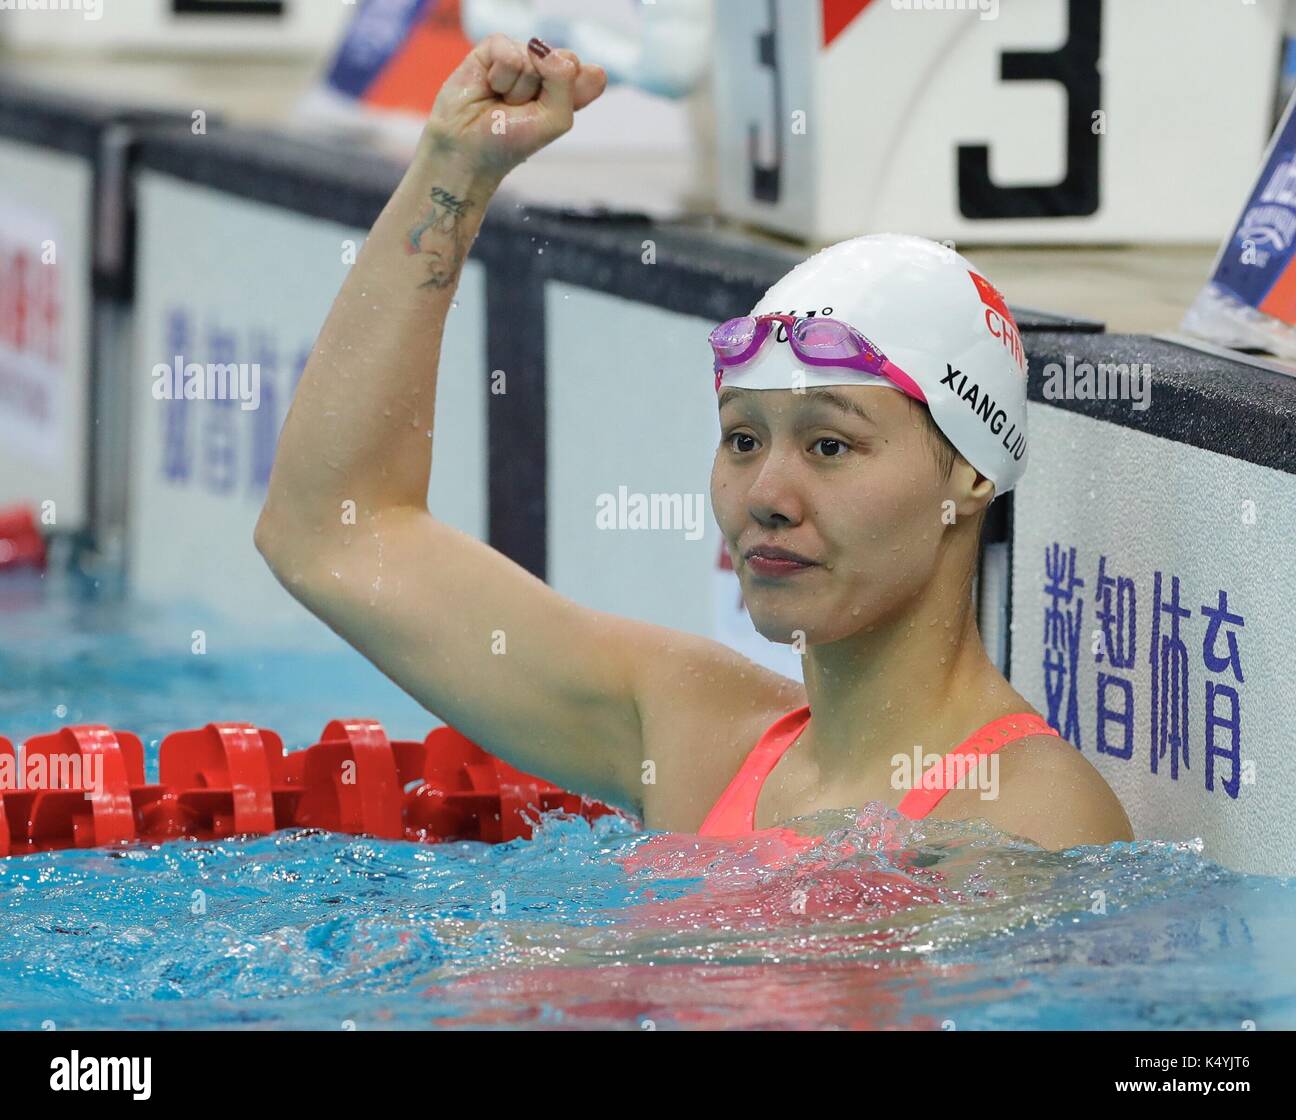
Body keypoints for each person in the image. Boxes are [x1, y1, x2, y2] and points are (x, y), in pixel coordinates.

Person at [255, 34, 1133, 853]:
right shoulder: (692, 736)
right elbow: (334, 532)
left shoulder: (1030, 820)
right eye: (743, 440)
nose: (766, 496)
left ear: (972, 474)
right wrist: (454, 173)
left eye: (830, 446)